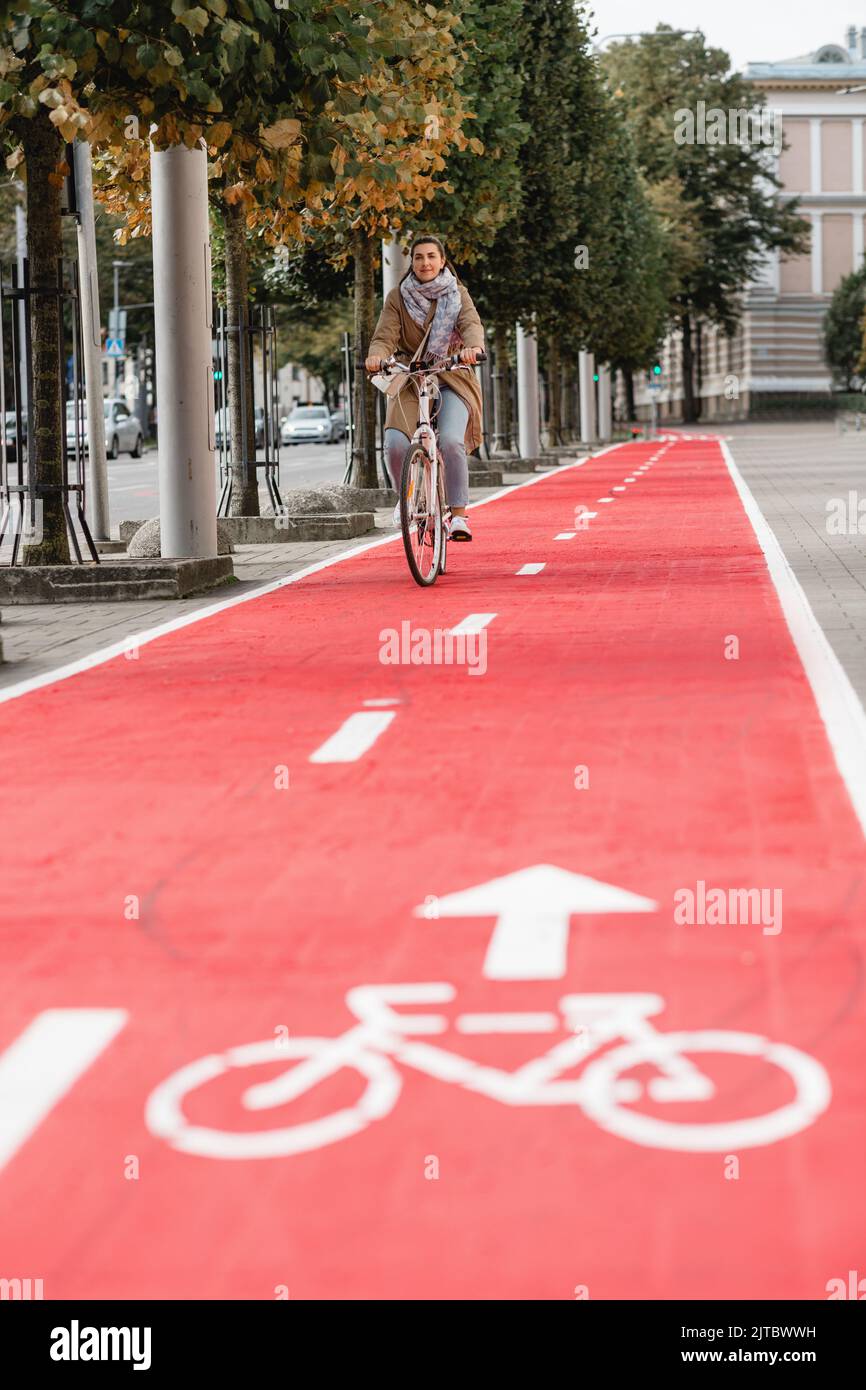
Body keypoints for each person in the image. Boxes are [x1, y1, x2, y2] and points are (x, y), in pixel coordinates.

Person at [365, 235, 485, 541]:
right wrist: (377, 355)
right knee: (394, 443)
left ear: (442, 261)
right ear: (412, 263)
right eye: (419, 257)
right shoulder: (398, 297)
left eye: (432, 256)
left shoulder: (457, 293)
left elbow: (471, 323)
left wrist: (473, 347)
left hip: (450, 375)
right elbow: (385, 333)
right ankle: (406, 498)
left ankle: (458, 515)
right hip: (411, 376)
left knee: (451, 442)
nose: (425, 262)